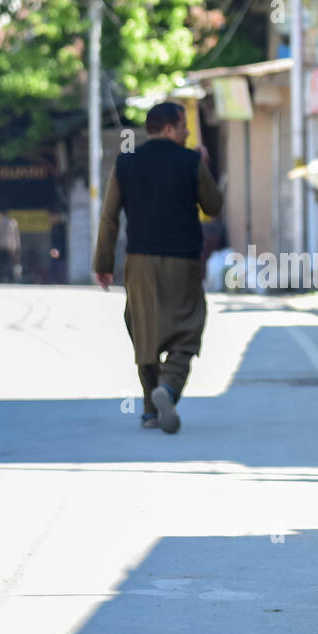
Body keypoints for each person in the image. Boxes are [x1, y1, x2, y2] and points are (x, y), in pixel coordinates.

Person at [92, 102, 223, 433]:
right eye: (182, 126)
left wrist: (103, 264)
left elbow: (109, 218)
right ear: (168, 129)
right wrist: (204, 165)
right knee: (188, 327)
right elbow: (213, 206)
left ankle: (151, 408)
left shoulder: (125, 163)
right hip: (183, 262)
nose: (187, 131)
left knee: (144, 332)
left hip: (139, 263)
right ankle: (168, 386)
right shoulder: (191, 161)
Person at [0, 208, 21, 283]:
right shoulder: (13, 222)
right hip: (10, 247)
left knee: (0, 264)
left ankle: (1, 279)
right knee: (9, 263)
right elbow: (16, 236)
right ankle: (10, 280)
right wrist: (17, 247)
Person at [48, 209, 68, 284]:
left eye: (53, 217)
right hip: (55, 250)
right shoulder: (53, 227)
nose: (51, 219)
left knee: (60, 266)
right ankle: (55, 281)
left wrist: (58, 250)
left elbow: (62, 240)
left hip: (61, 251)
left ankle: (61, 281)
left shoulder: (61, 227)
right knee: (54, 265)